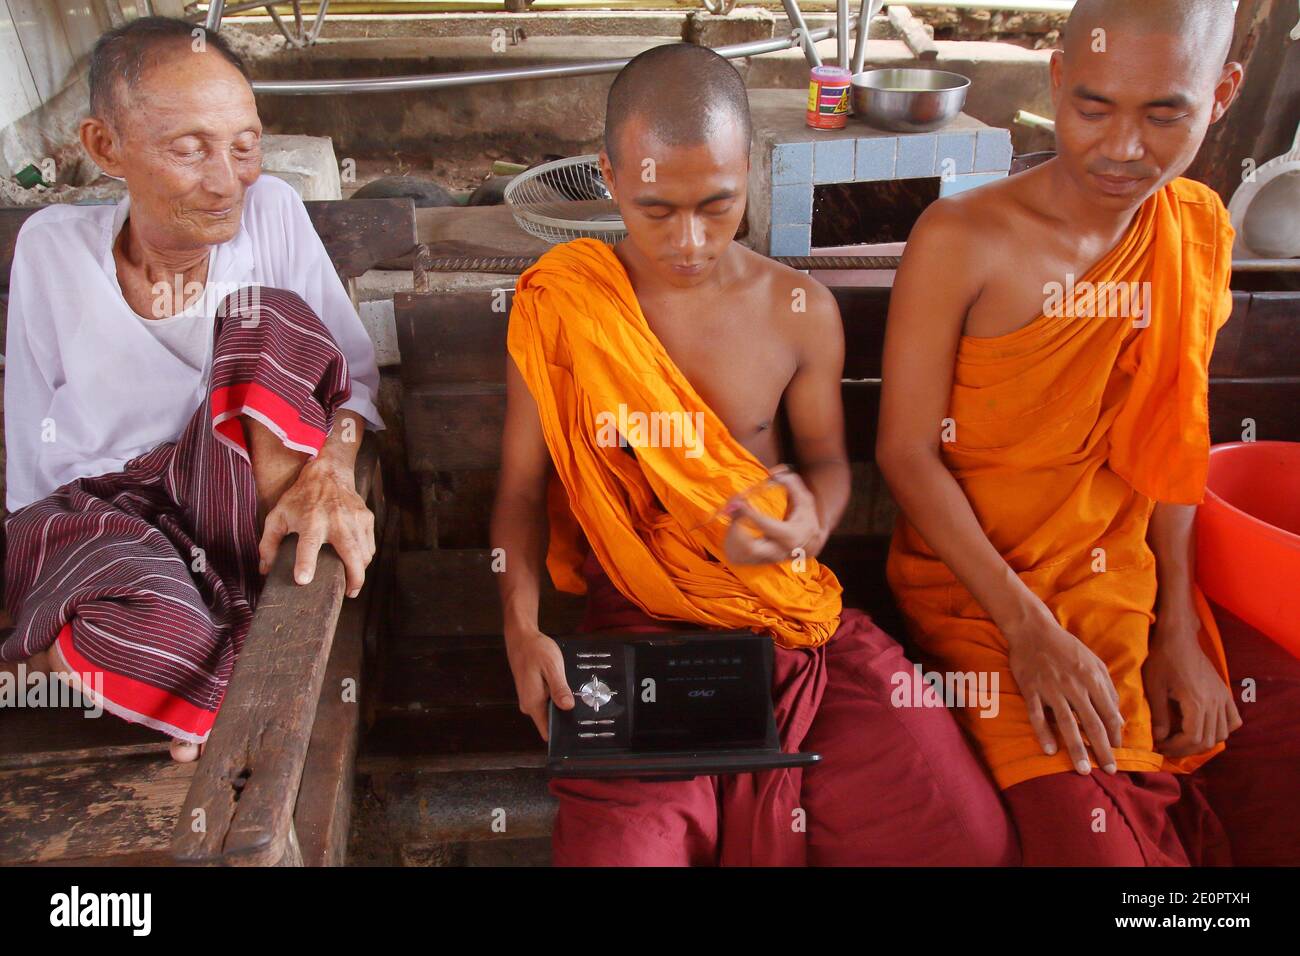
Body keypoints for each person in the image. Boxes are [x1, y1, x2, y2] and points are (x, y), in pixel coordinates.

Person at [492, 43, 1018, 866]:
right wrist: (520, 631)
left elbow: (829, 466)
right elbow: (522, 491)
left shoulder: (797, 308)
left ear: (750, 173)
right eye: (656, 208)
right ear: (608, 175)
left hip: (793, 621)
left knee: (961, 836)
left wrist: (810, 524)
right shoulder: (566, 304)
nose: (690, 240)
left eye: (718, 203)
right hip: (640, 628)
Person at [880, 0, 1300, 865]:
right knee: (1092, 840)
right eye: (1094, 107)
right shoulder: (961, 238)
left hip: (1125, 585)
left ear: (1220, 96)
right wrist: (1030, 634)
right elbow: (905, 453)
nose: (1121, 148)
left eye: (1164, 113)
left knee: (1275, 776)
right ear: (1059, 80)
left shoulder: (1190, 230)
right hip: (977, 595)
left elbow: (1170, 439)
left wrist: (1178, 627)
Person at [0, 17, 382, 761]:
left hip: (238, 498)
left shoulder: (270, 211)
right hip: (106, 516)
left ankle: (218, 636)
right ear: (104, 148)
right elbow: (32, 455)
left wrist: (334, 469)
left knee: (262, 320)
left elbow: (352, 382)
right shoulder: (51, 247)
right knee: (152, 620)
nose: (226, 178)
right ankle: (179, 652)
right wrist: (56, 556)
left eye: (244, 144)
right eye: (189, 148)